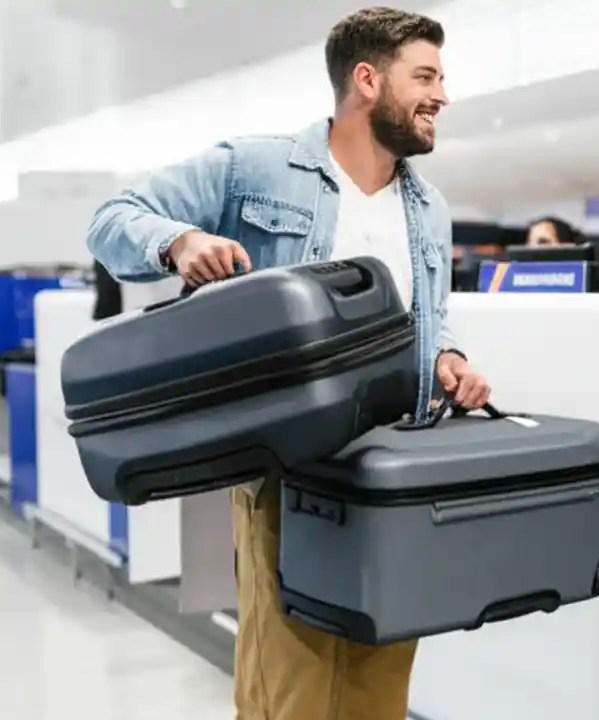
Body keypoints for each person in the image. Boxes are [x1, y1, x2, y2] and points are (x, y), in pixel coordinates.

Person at [86, 7, 491, 719]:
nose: (442, 95)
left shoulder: (429, 208)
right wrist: (179, 242)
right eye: (425, 76)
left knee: (379, 681)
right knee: (291, 684)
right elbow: (113, 218)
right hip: (287, 474)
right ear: (367, 80)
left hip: (395, 471)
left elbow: (433, 319)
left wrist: (450, 357)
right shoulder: (258, 169)